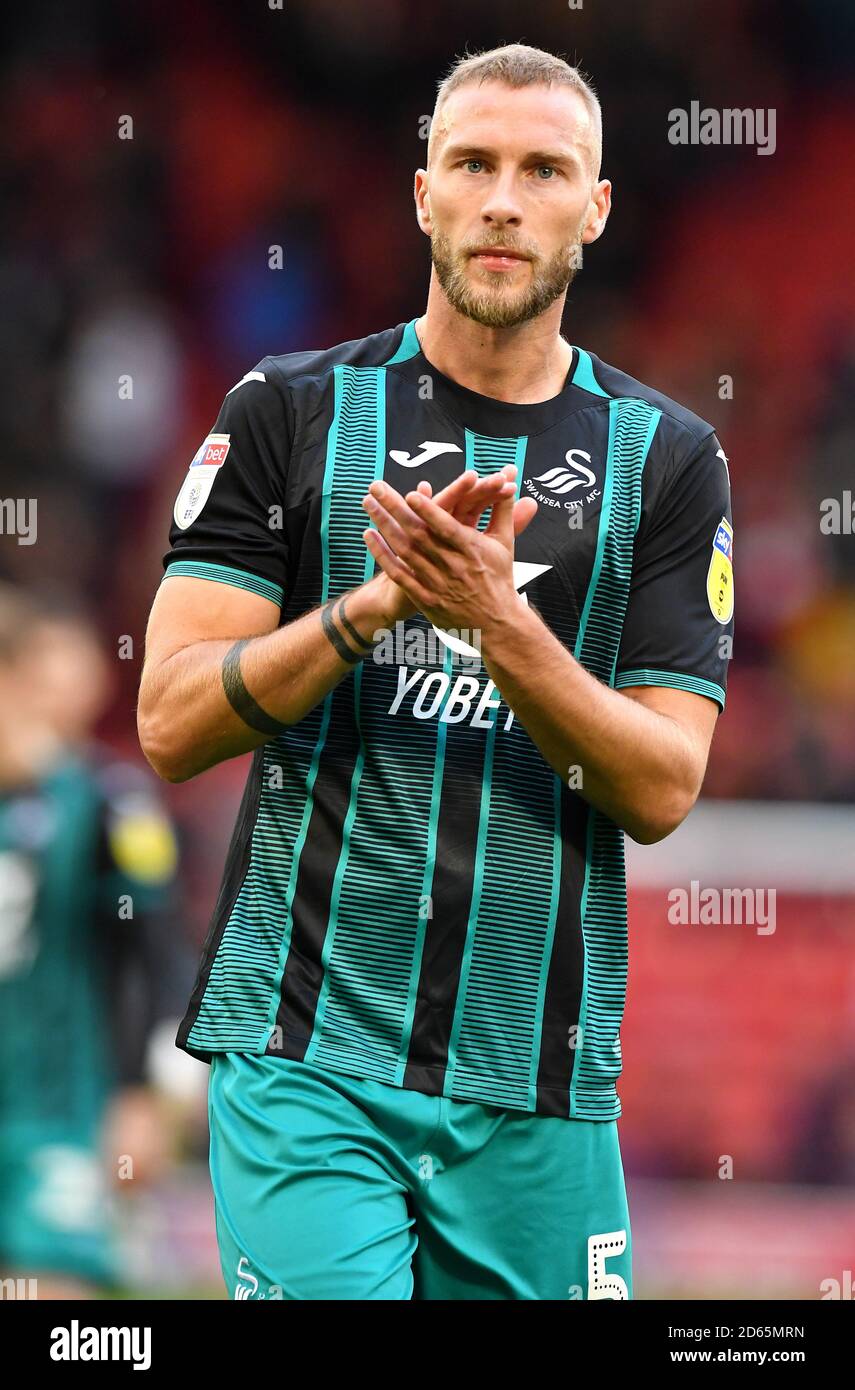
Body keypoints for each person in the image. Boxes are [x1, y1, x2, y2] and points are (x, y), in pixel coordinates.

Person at [138, 43, 734, 1300]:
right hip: (307, 1050)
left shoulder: (670, 461)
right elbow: (172, 720)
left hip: (540, 1079)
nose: (504, 199)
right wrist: (367, 610)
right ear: (424, 195)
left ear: (598, 206)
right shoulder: (286, 412)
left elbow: (666, 786)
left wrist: (496, 626)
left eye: (543, 169)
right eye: (473, 163)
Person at [0, 588, 188, 1297]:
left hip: (57, 1109)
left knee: (55, 1290)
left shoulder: (109, 800)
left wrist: (140, 1093)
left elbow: (149, 948)